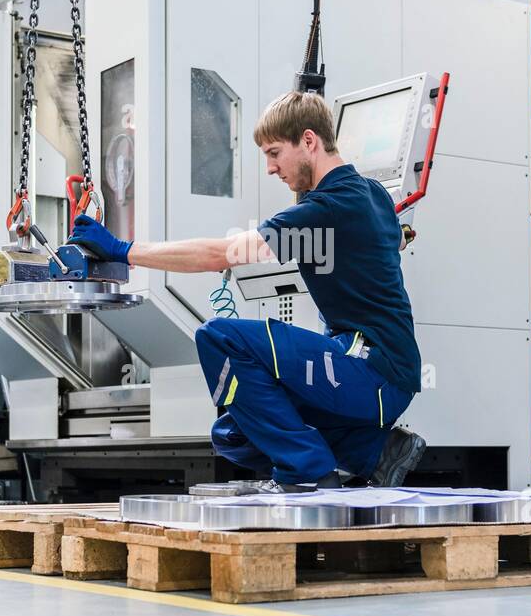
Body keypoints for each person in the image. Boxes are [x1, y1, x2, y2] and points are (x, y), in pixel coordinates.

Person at [68, 90, 426, 491]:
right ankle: (376, 453)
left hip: (373, 370)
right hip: (380, 373)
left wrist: (123, 249)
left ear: (309, 141)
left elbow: (219, 254)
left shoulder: (328, 208)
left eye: (275, 153)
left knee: (219, 336)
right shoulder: (373, 194)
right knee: (234, 434)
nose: (271, 168)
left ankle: (307, 470)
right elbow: (391, 242)